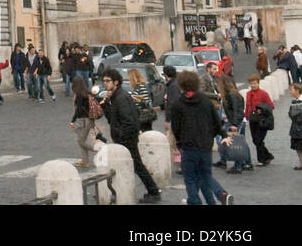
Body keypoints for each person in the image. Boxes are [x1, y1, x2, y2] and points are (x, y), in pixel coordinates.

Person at [98, 67, 161, 203]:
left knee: (137, 165)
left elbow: (129, 121)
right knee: (135, 165)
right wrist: (105, 106)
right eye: (104, 81)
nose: (105, 84)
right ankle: (150, 190)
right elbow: (113, 120)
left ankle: (153, 191)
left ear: (116, 82)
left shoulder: (121, 98)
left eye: (108, 81)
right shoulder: (116, 97)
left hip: (126, 139)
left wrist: (121, 137)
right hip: (124, 138)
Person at [169, 70, 232, 206]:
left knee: (190, 178)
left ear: (181, 85)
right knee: (205, 176)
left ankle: (195, 202)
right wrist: (222, 134)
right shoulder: (205, 101)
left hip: (188, 146)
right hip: (205, 145)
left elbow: (176, 128)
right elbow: (216, 121)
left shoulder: (178, 104)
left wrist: (179, 143)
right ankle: (220, 195)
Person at [69, 76, 101, 167]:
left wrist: (72, 121)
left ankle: (99, 150)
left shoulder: (79, 95)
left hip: (82, 121)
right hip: (88, 120)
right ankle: (85, 161)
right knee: (81, 140)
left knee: (81, 141)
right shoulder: (86, 93)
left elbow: (78, 109)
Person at [245, 74, 275, 167]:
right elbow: (247, 106)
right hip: (252, 119)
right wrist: (246, 116)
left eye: (254, 83)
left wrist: (262, 110)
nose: (253, 85)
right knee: (255, 140)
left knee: (258, 139)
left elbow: (271, 106)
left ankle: (261, 160)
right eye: (251, 83)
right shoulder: (248, 93)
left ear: (258, 83)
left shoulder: (263, 93)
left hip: (262, 120)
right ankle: (268, 156)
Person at [288, 82, 302, 170]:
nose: (290, 91)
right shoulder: (294, 101)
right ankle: (301, 163)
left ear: (297, 90)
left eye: (291, 89)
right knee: (298, 147)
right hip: (296, 128)